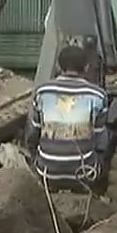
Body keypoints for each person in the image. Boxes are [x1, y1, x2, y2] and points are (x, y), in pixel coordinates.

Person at [25, 45, 109, 189]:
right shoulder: (98, 95)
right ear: (87, 67)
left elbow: (33, 135)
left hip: (46, 173)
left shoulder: (42, 92)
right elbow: (102, 143)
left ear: (58, 66)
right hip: (84, 175)